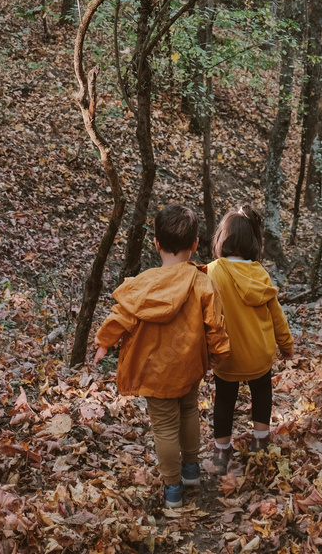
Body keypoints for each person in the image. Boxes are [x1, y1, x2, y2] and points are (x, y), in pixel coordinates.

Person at [94, 203, 230, 509]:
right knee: (189, 411)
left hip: (154, 370)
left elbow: (121, 316)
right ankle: (191, 470)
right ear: (195, 245)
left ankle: (172, 489)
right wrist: (218, 355)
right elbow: (216, 327)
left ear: (156, 243)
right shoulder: (202, 283)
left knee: (164, 427)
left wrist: (104, 342)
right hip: (189, 366)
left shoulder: (143, 285)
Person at [206, 203, 294, 473]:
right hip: (260, 353)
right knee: (262, 390)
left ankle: (221, 451)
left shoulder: (212, 271)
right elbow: (276, 315)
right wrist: (286, 346)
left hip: (227, 356)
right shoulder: (260, 274)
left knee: (224, 398)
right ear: (254, 241)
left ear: (222, 240)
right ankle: (260, 440)